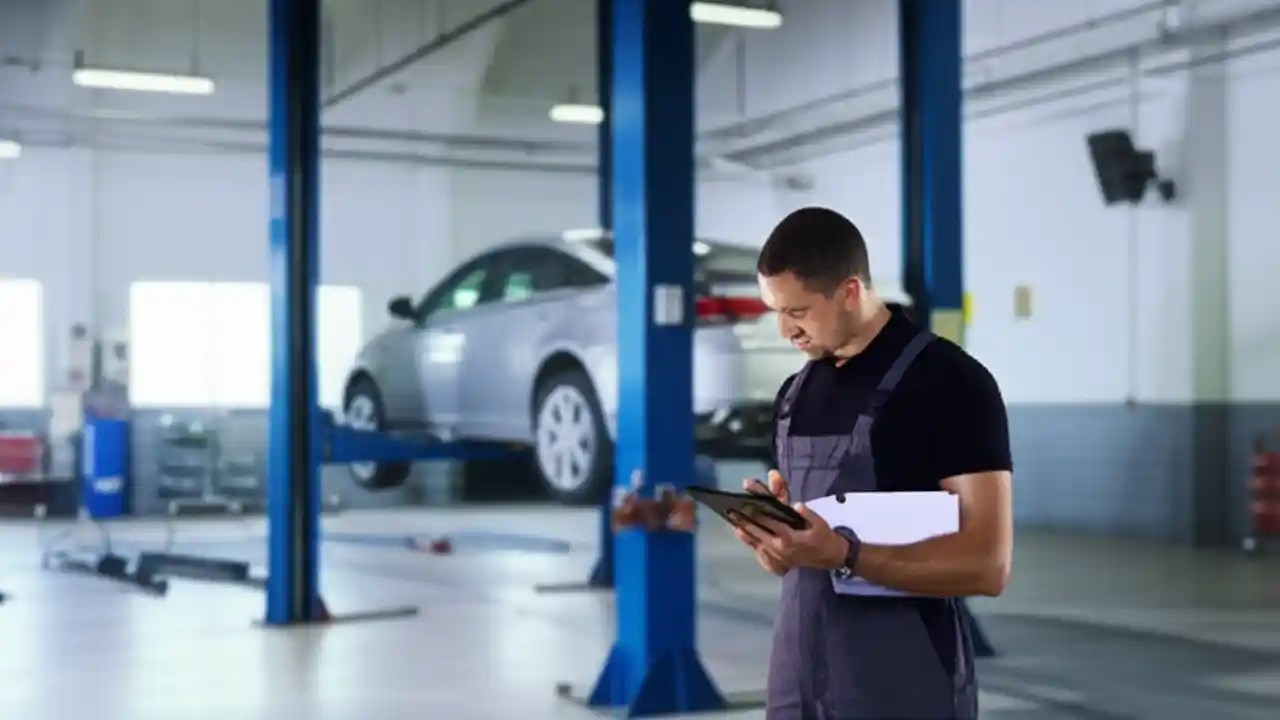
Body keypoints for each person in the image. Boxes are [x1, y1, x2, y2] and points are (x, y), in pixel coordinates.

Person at [729, 206, 1013, 719]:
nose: (784, 331)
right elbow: (800, 560)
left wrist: (844, 552)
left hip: (904, 685)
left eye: (798, 312)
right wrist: (777, 545)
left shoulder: (950, 384)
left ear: (851, 291)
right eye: (775, 311)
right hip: (799, 680)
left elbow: (988, 564)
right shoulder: (795, 395)